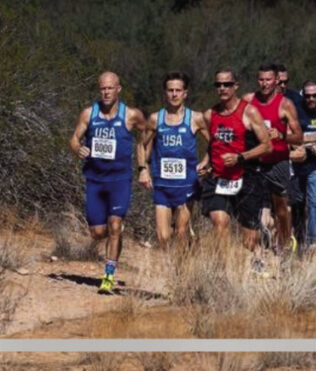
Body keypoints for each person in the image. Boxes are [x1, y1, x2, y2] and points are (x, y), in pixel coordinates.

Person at [70, 71, 148, 294]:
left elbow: (145, 135)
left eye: (110, 88)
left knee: (114, 226)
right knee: (97, 232)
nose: (106, 92)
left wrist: (143, 167)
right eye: (102, 88)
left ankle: (108, 276)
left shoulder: (131, 115)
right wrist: (78, 148)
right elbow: (74, 138)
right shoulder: (88, 114)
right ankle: (115, 238)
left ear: (118, 89)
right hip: (95, 180)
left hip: (120, 180)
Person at [200, 68, 271, 259]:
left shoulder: (249, 111)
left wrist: (240, 157)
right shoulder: (209, 114)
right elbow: (213, 143)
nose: (222, 88)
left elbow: (267, 146)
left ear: (236, 86)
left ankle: (259, 245)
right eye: (218, 85)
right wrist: (205, 162)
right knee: (219, 220)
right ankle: (225, 269)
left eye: (227, 84)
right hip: (219, 178)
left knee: (249, 240)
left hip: (246, 176)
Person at [139, 72, 209, 248]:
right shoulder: (156, 119)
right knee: (163, 236)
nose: (174, 94)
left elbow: (216, 143)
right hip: (162, 184)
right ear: (165, 92)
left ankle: (180, 273)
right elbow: (142, 145)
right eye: (170, 90)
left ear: (185, 93)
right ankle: (186, 250)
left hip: (187, 184)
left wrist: (207, 163)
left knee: (181, 232)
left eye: (178, 90)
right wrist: (143, 169)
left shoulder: (195, 118)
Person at [243, 64, 302, 254]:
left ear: (276, 81)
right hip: (255, 162)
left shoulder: (285, 104)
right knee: (253, 207)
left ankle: (283, 248)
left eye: (268, 80)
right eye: (261, 79)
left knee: (281, 209)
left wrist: (281, 136)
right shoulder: (249, 100)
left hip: (278, 162)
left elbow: (299, 136)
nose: (264, 83)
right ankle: (256, 251)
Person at [292, 79, 316, 250]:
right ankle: (299, 238)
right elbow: (290, 135)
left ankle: (312, 240)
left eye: (314, 96)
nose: (311, 99)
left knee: (314, 200)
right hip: (298, 165)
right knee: (298, 201)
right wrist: (298, 148)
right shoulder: (296, 113)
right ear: (303, 96)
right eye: (308, 96)